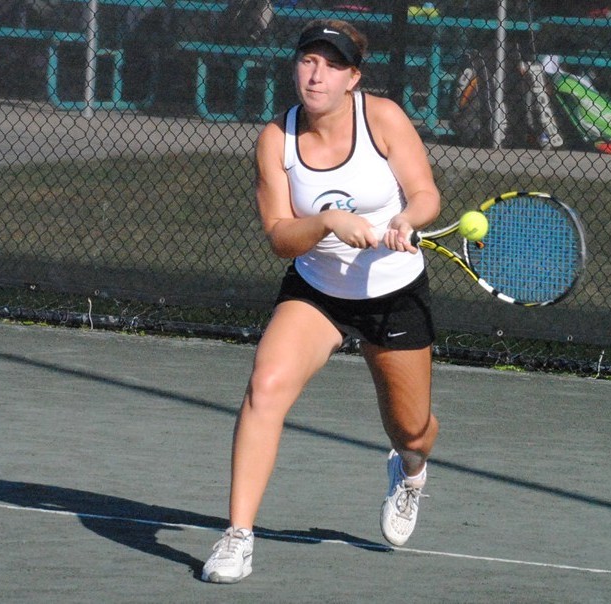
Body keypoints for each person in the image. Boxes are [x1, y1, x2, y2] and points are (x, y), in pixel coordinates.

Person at [201, 18, 442, 584]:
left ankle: (409, 473)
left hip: (393, 292)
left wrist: (406, 218)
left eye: (332, 65)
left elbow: (426, 192)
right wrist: (329, 222)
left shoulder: (381, 119)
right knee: (265, 387)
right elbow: (281, 236)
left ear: (352, 78)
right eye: (308, 61)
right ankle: (238, 535)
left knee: (411, 430)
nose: (317, 74)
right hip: (317, 292)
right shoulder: (275, 139)